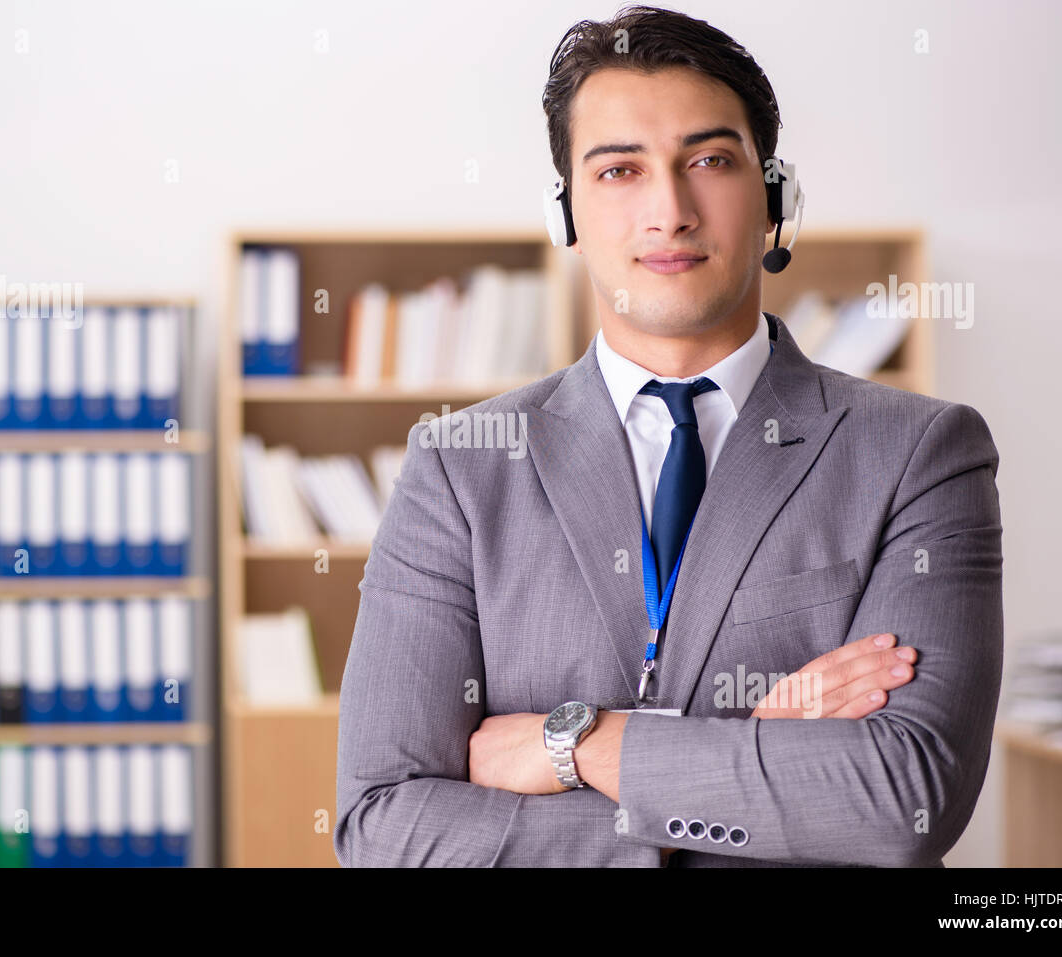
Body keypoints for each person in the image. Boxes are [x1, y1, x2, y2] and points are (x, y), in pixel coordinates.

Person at [334, 4, 1002, 867]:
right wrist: (739, 785)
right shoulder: (460, 468)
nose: (670, 210)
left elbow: (902, 799)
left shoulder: (920, 453)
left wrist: (573, 743)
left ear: (774, 198)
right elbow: (383, 825)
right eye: (619, 171)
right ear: (564, 213)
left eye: (711, 160)